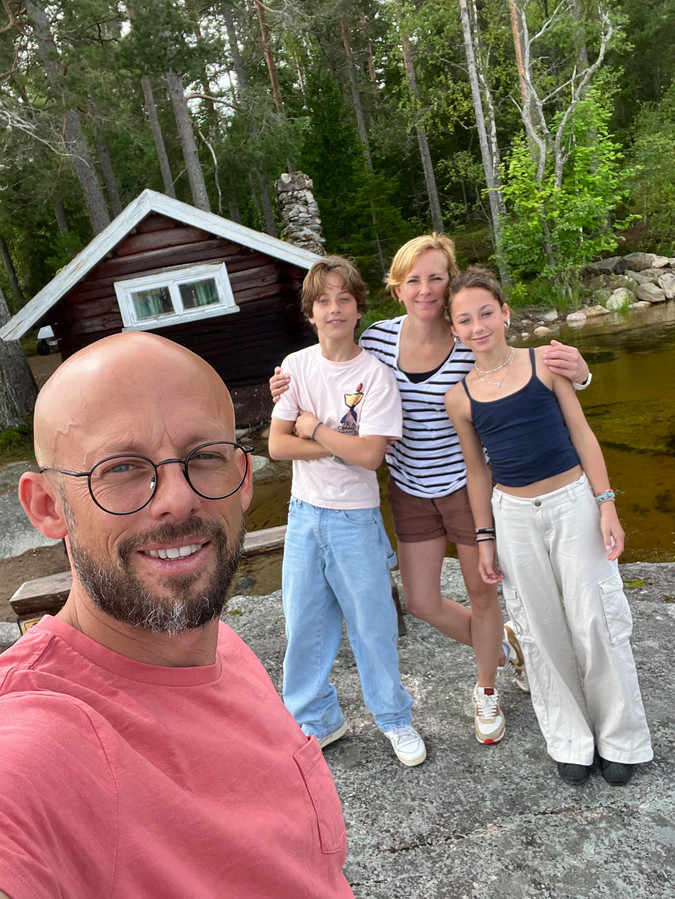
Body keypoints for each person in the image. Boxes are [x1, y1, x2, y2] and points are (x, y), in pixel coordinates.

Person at [0, 332, 353, 898]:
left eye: (204, 458)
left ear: (242, 478)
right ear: (47, 506)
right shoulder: (42, 742)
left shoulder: (216, 642)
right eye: (121, 468)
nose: (177, 497)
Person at [271, 234, 590, 746]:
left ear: (450, 283)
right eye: (414, 279)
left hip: (469, 486)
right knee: (420, 601)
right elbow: (332, 369)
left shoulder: (468, 335)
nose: (426, 289)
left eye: (436, 277)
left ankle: (486, 689)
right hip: (409, 488)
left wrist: (582, 373)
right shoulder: (376, 341)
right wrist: (284, 388)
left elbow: (518, 371)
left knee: (483, 596)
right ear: (397, 288)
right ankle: (506, 647)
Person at [444, 268, 653, 786]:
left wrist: (606, 504)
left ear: (506, 312)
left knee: (596, 621)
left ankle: (621, 738)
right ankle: (570, 740)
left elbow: (583, 435)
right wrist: (484, 537)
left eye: (486, 312)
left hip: (571, 503)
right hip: (512, 517)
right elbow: (477, 472)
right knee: (539, 629)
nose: (478, 326)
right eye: (464, 319)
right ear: (453, 330)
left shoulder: (545, 364)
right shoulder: (461, 397)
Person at [268, 256, 426, 767]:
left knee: (372, 626)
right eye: (323, 301)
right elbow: (276, 446)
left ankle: (395, 719)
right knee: (304, 624)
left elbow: (371, 456)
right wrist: (341, 441)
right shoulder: (294, 367)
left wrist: (313, 430)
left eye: (343, 299)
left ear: (359, 308)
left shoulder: (376, 375)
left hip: (356, 518)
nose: (333, 308)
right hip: (304, 514)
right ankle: (314, 721)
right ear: (309, 313)